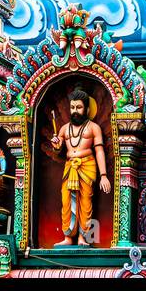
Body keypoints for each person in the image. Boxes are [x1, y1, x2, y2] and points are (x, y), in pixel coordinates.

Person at [50, 86, 111, 247]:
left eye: (79, 107)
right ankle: (68, 237)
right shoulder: (64, 129)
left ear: (87, 109)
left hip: (87, 165)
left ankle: (83, 238)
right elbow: (58, 147)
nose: (75, 111)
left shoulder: (93, 128)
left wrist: (103, 175)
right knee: (67, 201)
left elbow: (99, 151)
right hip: (70, 166)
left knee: (85, 202)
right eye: (72, 107)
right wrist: (56, 144)